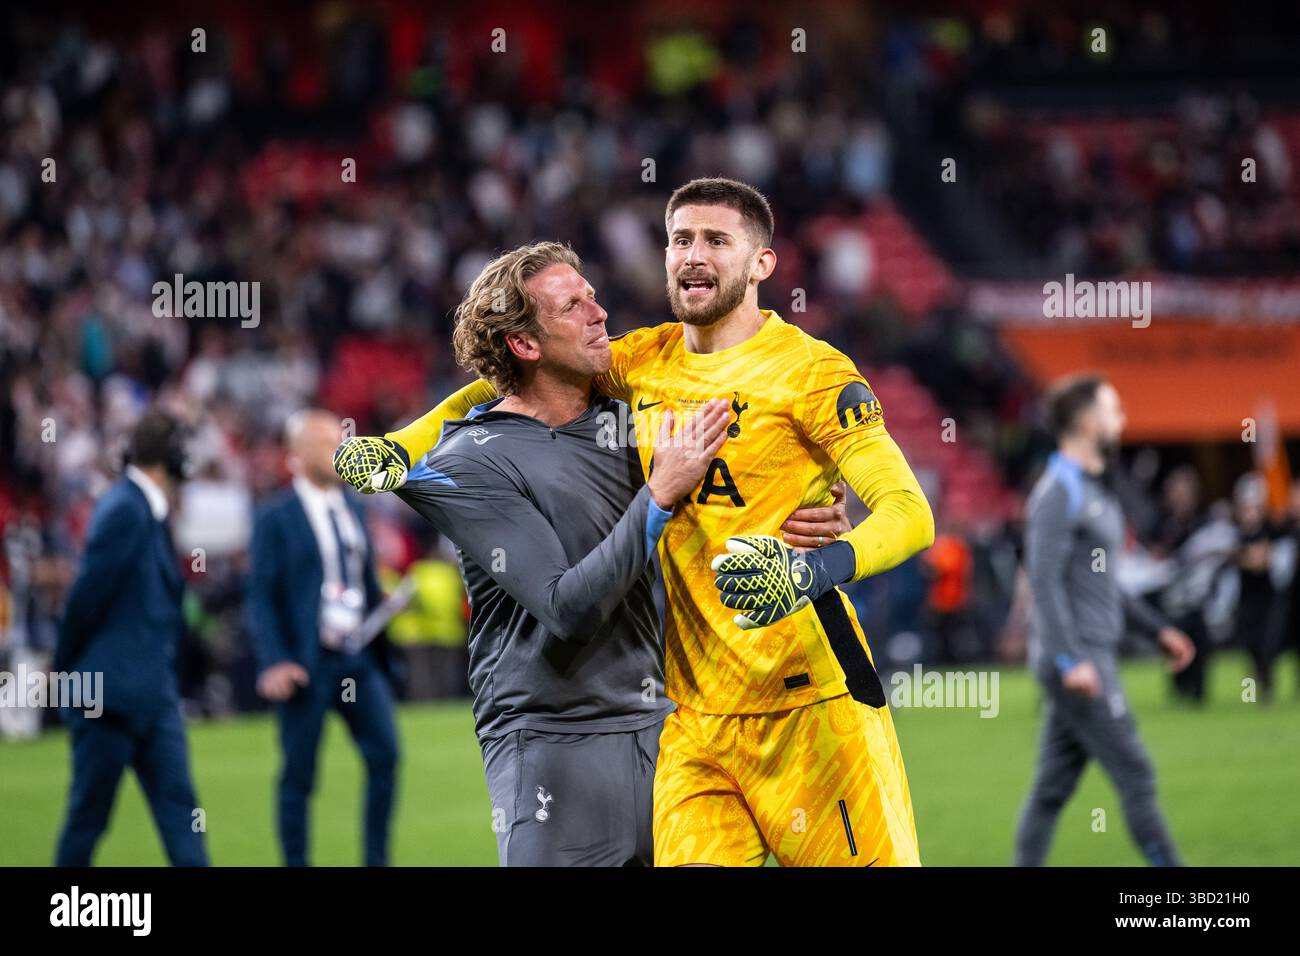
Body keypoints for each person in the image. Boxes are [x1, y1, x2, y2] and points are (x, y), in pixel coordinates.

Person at [338, 177, 934, 867]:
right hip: (694, 721)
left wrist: (812, 569)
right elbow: (504, 375)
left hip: (813, 702)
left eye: (716, 240)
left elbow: (909, 513)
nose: (692, 256)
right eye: (680, 239)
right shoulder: (640, 362)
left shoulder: (814, 374)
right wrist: (401, 450)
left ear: (762, 264)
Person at [1015, 374, 1195, 867]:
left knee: (1051, 790)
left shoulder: (1090, 489)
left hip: (1088, 655)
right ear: (1088, 421)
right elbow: (1044, 583)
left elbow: (1103, 583)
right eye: (1114, 409)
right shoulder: (1057, 492)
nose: (1123, 419)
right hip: (1080, 661)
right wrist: (1069, 659)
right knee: (1136, 775)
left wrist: (1156, 629)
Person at [53, 409, 209, 866]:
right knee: (89, 818)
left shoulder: (146, 509)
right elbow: (86, 596)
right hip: (109, 698)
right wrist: (67, 674)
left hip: (152, 696)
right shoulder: (124, 508)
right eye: (184, 448)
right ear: (168, 454)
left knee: (182, 813)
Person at [245, 409, 400, 866]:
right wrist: (274, 660)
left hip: (357, 656)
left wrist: (381, 600)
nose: (342, 450)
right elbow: (260, 595)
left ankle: (376, 860)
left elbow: (357, 577)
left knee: (386, 757)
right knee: (299, 775)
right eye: (329, 443)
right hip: (307, 662)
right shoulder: (276, 516)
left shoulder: (353, 505)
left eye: (341, 440)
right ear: (297, 454)